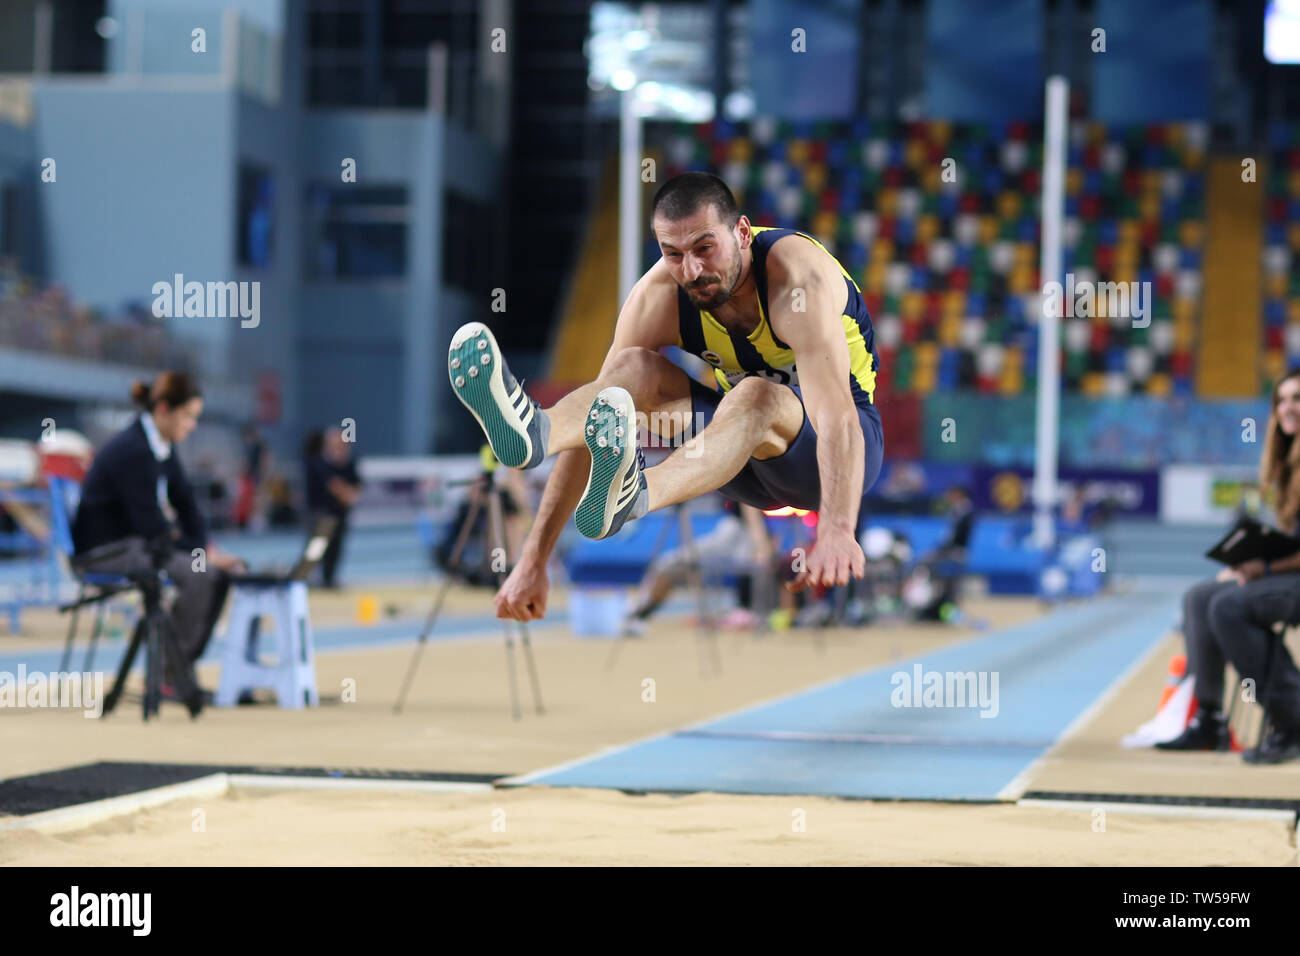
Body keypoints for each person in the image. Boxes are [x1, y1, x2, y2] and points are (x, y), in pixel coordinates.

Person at [449, 172, 885, 622]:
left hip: (834, 457)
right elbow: (598, 421)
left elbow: (838, 418)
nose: (691, 271)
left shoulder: (796, 279)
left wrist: (836, 526)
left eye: (704, 248)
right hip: (730, 453)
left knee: (758, 394)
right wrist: (533, 559)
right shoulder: (658, 295)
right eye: (673, 254)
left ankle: (638, 493)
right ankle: (537, 430)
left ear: (740, 233)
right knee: (629, 370)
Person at [71, 371, 246, 698]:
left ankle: (177, 670)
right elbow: (152, 528)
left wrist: (204, 547)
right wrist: (201, 555)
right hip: (104, 552)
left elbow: (189, 509)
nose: (192, 426)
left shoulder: (162, 447)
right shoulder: (134, 451)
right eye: (188, 417)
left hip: (137, 544)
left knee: (216, 574)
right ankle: (171, 675)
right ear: (164, 409)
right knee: (202, 575)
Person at [1157, 369, 1300, 763]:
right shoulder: (1287, 463)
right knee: (1201, 597)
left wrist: (1264, 570)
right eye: (1282, 400)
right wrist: (1246, 565)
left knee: (1229, 607)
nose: (1289, 407)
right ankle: (1209, 720)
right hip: (1288, 577)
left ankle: (1291, 720)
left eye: (1297, 398)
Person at [620, 498, 775, 636]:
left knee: (667, 564)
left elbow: (750, 507)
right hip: (740, 533)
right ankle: (639, 614)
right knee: (666, 566)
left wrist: (761, 543)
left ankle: (637, 614)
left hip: (740, 535)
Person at [304, 426, 361, 588]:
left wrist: (350, 495)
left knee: (336, 548)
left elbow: (356, 485)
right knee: (317, 546)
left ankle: (329, 579)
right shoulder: (318, 461)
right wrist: (347, 495)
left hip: (340, 514)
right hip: (321, 513)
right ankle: (306, 577)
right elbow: (334, 486)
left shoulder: (349, 463)